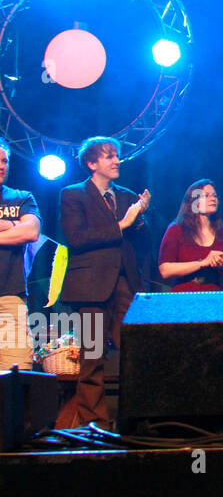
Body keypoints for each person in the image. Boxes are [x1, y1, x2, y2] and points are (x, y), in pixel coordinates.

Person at [56, 137, 150, 428]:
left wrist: (139, 218)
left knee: (134, 354)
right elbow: (77, 238)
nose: (116, 161)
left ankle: (133, 420)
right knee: (92, 357)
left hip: (125, 284)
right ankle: (93, 424)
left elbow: (142, 241)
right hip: (91, 287)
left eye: (117, 155)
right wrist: (122, 223)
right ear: (92, 163)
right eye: (109, 156)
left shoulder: (125, 196)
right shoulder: (72, 195)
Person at [157, 179, 223, 291]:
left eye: (215, 195)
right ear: (193, 202)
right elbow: (165, 270)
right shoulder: (176, 230)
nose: (213, 198)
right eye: (207, 195)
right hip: (183, 297)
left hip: (214, 297)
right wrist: (203, 262)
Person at [0, 139, 41, 371]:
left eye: (4, 160)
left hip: (9, 296)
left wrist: (17, 227)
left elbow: (32, 231)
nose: (1, 165)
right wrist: (10, 225)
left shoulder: (21, 197)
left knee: (17, 371)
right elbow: (21, 230)